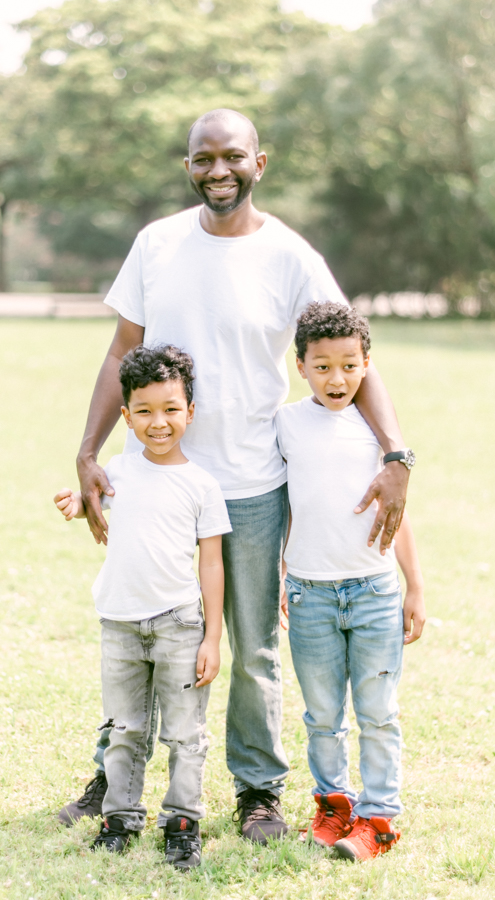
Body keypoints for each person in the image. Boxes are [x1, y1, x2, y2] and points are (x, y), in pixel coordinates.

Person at [59, 108, 414, 842]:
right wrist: (90, 450)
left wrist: (395, 453)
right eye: (202, 159)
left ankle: (257, 791)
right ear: (187, 166)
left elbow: (355, 354)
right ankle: (112, 777)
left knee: (251, 646)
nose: (217, 171)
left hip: (252, 484)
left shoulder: (291, 256)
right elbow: (117, 354)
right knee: (141, 627)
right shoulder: (156, 244)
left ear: (260, 162)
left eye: (231, 157)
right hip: (159, 475)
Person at [54, 345, 231, 870]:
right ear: (126, 417)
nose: (160, 422)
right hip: (121, 623)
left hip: (180, 625)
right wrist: (75, 501)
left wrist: (213, 637)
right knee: (124, 728)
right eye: (146, 412)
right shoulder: (115, 471)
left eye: (171, 409)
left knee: (185, 733)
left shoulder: (202, 485)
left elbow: (212, 565)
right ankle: (120, 818)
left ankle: (182, 822)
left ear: (190, 413)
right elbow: (92, 506)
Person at [277, 301, 425, 861]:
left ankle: (379, 816)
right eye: (322, 366)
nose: (336, 378)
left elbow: (399, 513)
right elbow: (284, 504)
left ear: (368, 364)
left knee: (377, 710)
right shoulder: (286, 424)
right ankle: (333, 804)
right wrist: (280, 568)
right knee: (321, 713)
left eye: (348, 365)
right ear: (300, 366)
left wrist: (415, 586)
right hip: (310, 594)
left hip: (374, 592)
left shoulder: (379, 433)